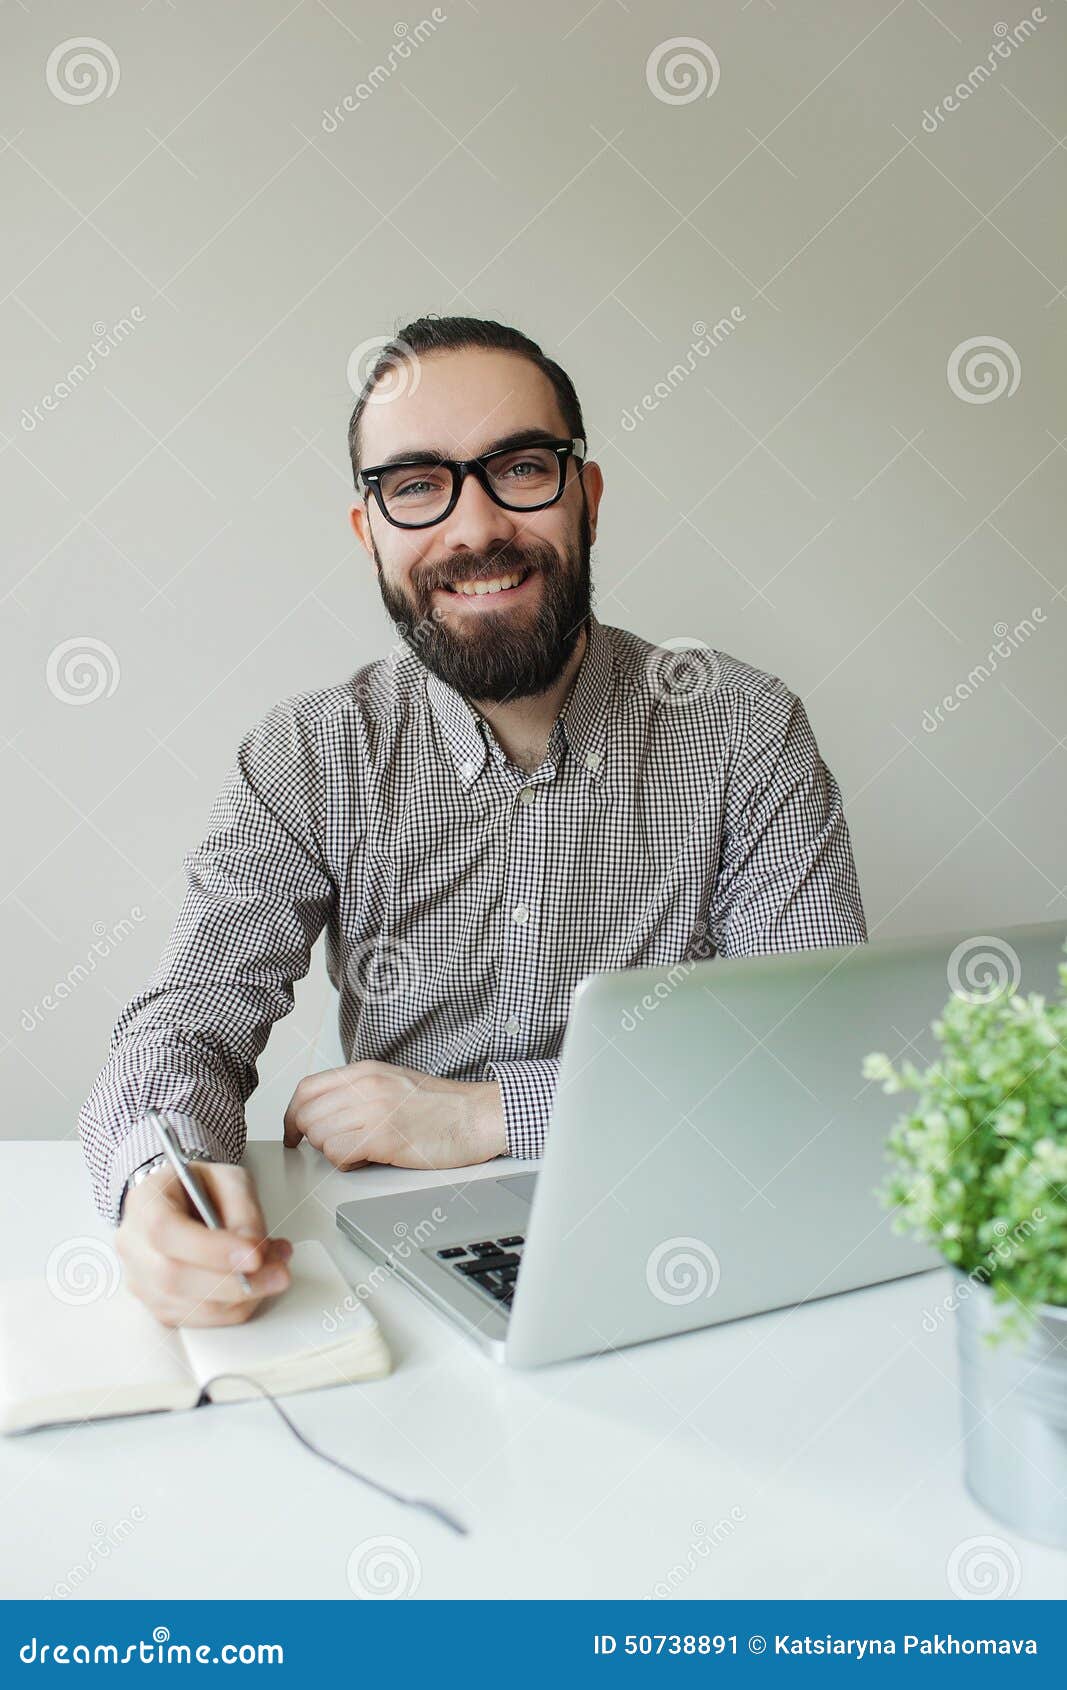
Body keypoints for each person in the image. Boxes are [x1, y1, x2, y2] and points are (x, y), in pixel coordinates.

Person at [79, 314, 868, 1329]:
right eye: (416, 485)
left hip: (701, 1231)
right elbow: (185, 1023)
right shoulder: (306, 755)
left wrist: (492, 1116)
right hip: (392, 1262)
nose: (473, 528)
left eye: (519, 467)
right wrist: (161, 1178)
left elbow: (808, 1055)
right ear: (370, 531)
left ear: (584, 495)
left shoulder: (745, 729)